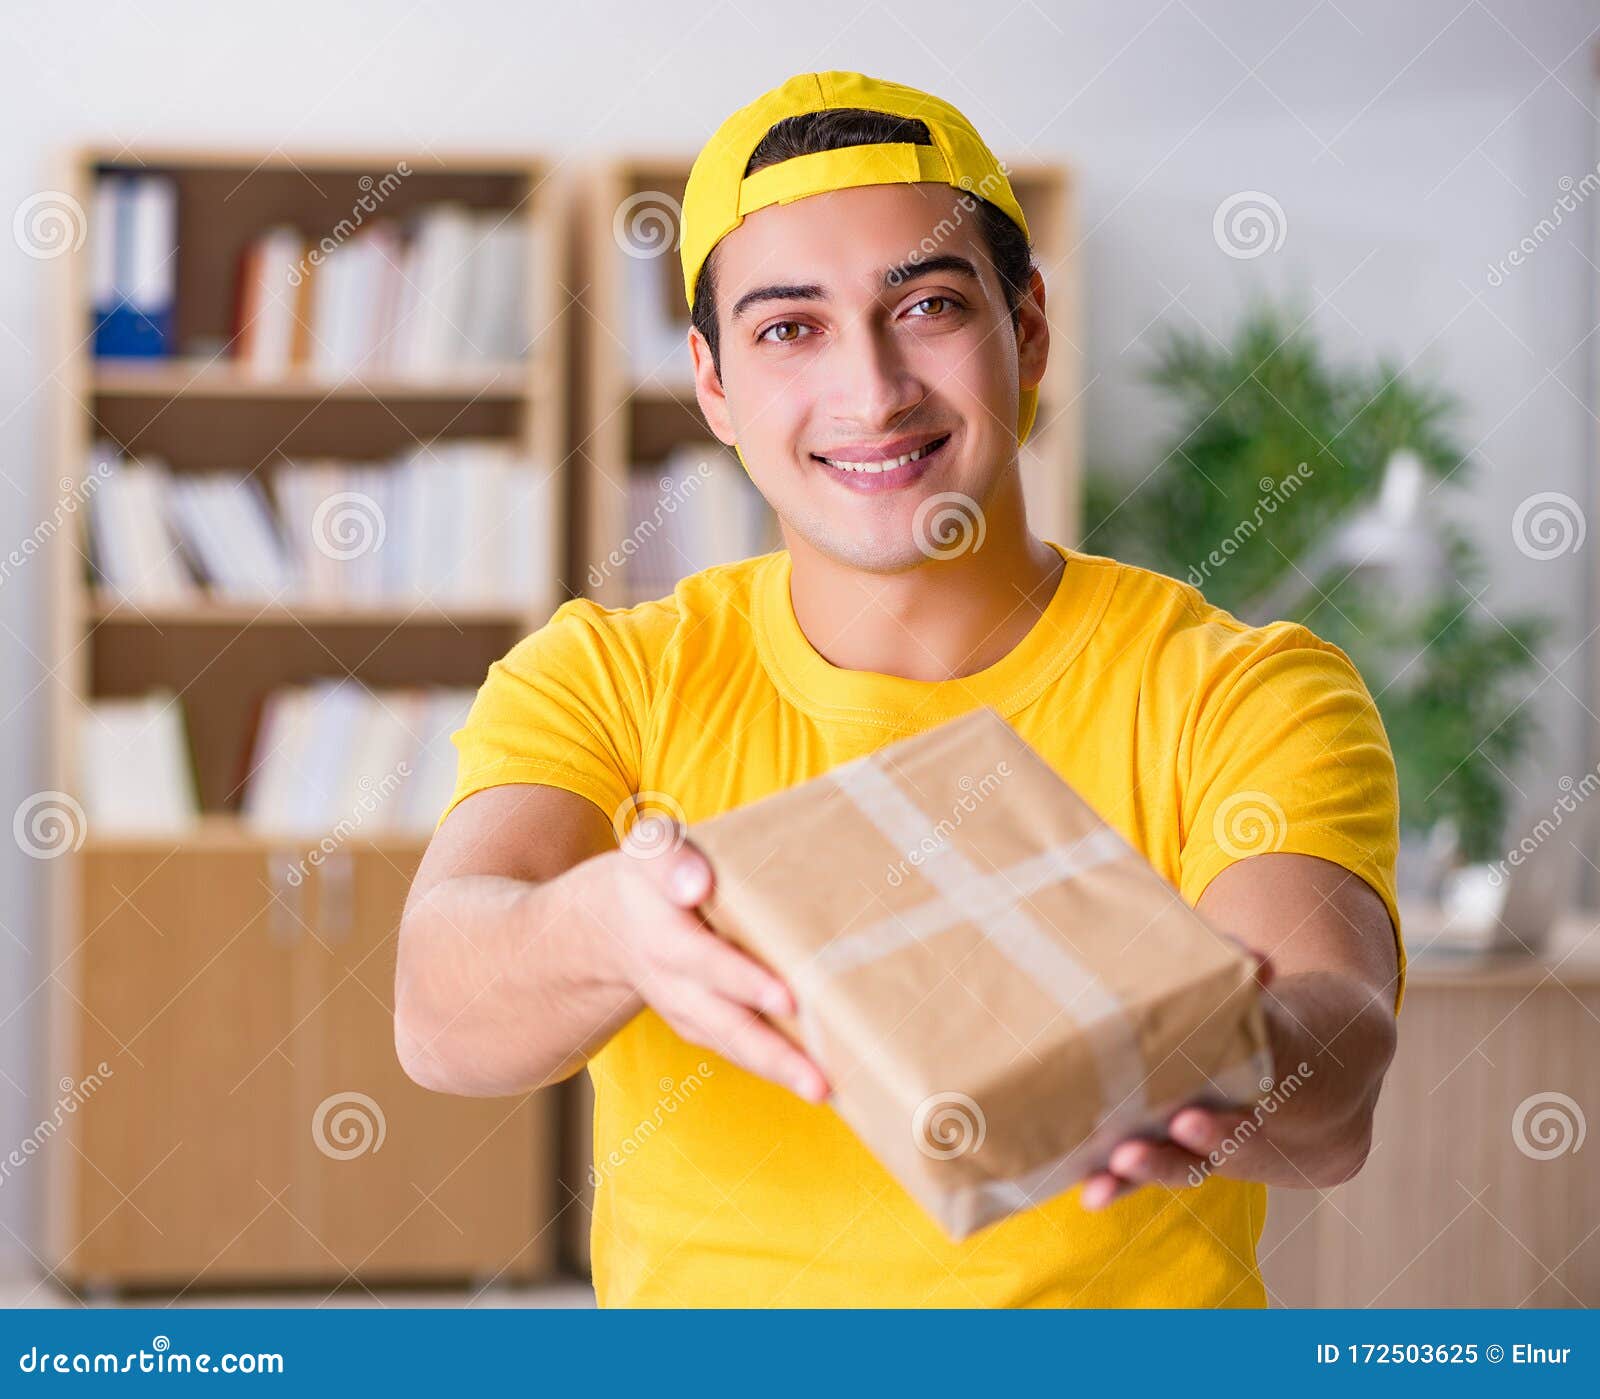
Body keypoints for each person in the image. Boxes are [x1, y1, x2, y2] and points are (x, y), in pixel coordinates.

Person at [395, 70, 1402, 1308]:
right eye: (787, 329)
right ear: (712, 384)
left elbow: (1336, 1069)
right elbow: (437, 1013)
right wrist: (611, 926)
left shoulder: (1240, 690)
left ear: (1027, 330)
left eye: (924, 306)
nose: (871, 391)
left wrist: (1223, 1055)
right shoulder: (607, 674)